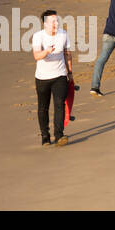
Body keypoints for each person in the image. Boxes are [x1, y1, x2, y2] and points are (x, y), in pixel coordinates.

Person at [33, 9, 73, 147]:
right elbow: (36, 56)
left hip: (60, 76)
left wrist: (70, 72)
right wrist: (47, 51)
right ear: (45, 24)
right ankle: (45, 136)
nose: (56, 23)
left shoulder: (63, 34)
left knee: (59, 104)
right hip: (42, 78)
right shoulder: (38, 36)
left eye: (57, 20)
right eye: (53, 21)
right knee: (43, 108)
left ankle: (59, 135)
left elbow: (67, 54)